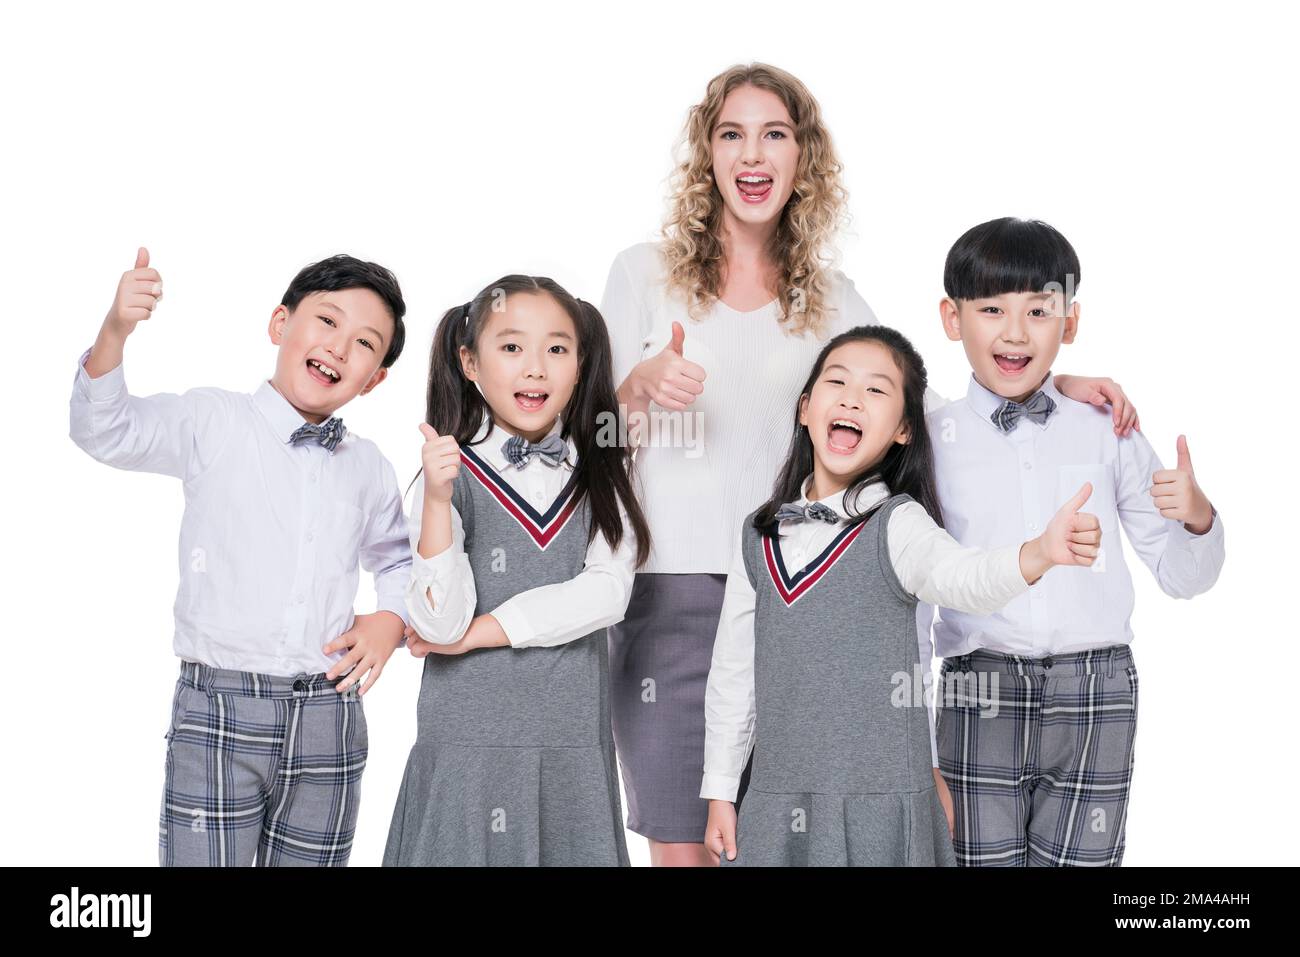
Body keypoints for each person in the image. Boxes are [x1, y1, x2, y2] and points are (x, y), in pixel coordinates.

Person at [600, 62, 1139, 865]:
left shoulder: (834, 296)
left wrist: (1048, 383)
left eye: (775, 134)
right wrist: (635, 389)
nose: (753, 153)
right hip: (673, 593)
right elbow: (581, 437)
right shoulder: (641, 273)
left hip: (807, 600)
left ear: (802, 156)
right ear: (706, 153)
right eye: (732, 133)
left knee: (794, 840)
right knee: (686, 843)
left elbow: (916, 415)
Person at [702, 325, 1103, 865]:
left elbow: (964, 579)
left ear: (904, 431)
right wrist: (722, 791)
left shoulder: (899, 524)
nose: (851, 398)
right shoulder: (756, 534)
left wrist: (1038, 552)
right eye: (836, 382)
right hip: (781, 800)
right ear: (804, 409)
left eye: (876, 390)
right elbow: (733, 673)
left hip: (884, 805)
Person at [68, 248, 413, 866]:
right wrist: (116, 330)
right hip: (219, 709)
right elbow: (107, 430)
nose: (338, 348)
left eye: (364, 343)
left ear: (376, 378)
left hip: (328, 715)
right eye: (327, 321)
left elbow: (398, 560)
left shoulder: (368, 467)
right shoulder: (214, 420)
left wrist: (390, 621)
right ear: (281, 324)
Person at [927, 217, 1226, 865]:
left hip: (1096, 688)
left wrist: (1198, 517)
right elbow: (917, 585)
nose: (1015, 331)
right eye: (991, 309)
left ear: (1070, 321)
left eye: (1039, 309)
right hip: (979, 689)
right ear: (953, 319)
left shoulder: (1104, 426)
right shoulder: (929, 438)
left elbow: (1182, 575)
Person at [383, 276, 651, 866]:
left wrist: (482, 633)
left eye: (557, 349)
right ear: (469, 361)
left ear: (580, 366)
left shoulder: (606, 470)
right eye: (511, 348)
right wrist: (436, 500)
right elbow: (438, 620)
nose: (535, 368)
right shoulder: (446, 477)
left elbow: (607, 594)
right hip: (467, 747)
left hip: (571, 746)